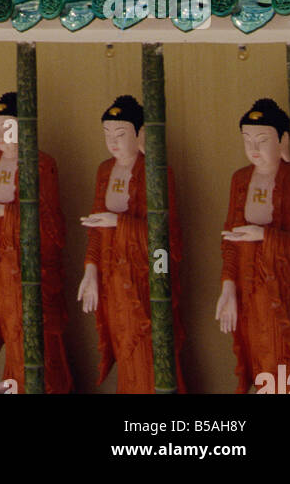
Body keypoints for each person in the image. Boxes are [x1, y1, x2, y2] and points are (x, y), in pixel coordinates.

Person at [77, 93, 184, 393]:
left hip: (145, 277)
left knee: (151, 349)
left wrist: (159, 276)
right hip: (113, 279)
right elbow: (96, 228)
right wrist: (90, 271)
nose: (112, 141)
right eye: (107, 133)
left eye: (120, 133)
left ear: (140, 134)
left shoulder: (157, 172)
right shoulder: (104, 171)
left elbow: (165, 235)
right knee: (125, 351)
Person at [0, 92, 72, 393]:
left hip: (31, 269)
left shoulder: (42, 164)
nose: (0, 136)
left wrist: (7, 212)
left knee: (34, 331)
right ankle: (15, 382)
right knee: (12, 329)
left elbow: (52, 225)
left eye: (7, 128)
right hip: (0, 266)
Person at [215, 97, 290, 392]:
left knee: (283, 363)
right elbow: (230, 240)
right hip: (249, 291)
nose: (253, 149)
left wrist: (264, 237)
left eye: (262, 140)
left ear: (284, 139)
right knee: (261, 359)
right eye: (247, 139)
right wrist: (227, 288)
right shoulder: (240, 179)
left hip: (284, 294)